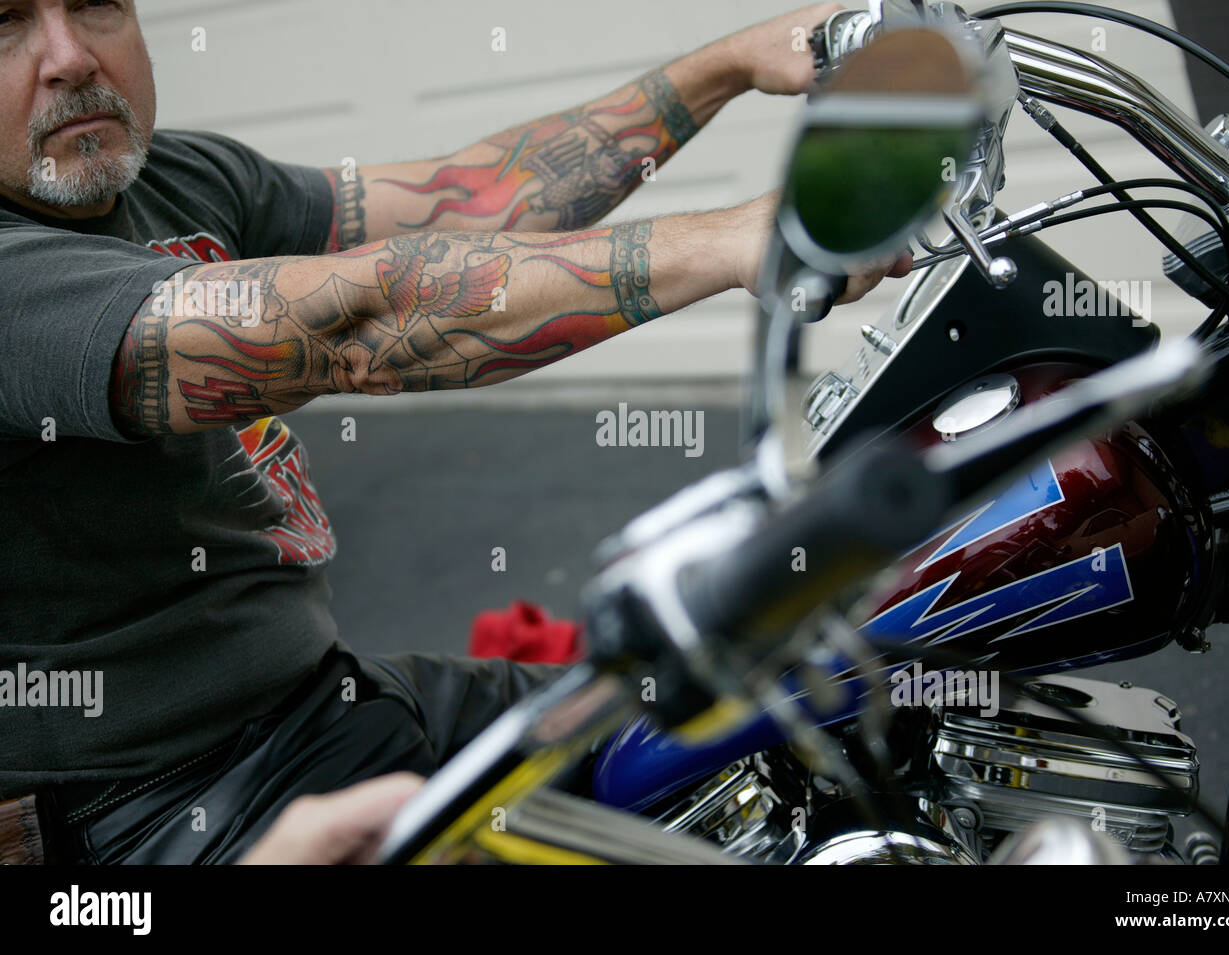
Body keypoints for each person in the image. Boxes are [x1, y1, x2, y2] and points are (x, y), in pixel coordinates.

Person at [0, 0, 911, 864]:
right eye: (6, 24)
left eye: (95, 5)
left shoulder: (178, 180)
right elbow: (349, 328)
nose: (72, 56)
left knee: (756, 713)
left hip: (323, 701)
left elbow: (472, 202)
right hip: (152, 816)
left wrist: (728, 64)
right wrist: (722, 243)